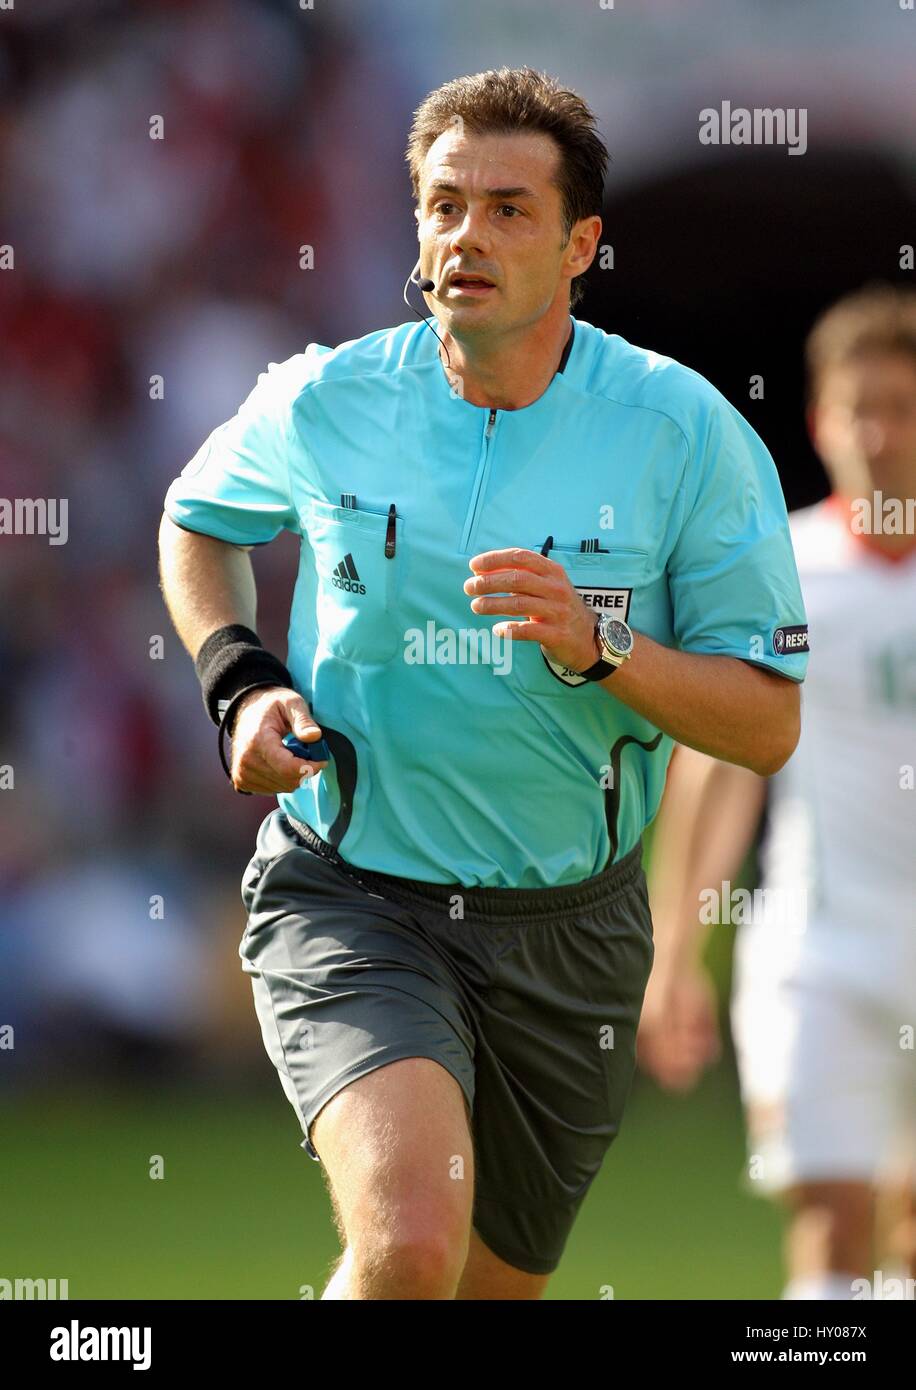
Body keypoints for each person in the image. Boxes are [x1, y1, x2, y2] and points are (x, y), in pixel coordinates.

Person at [158, 66, 806, 1300]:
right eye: (445, 205)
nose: (468, 235)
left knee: (482, 1292)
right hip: (355, 893)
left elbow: (766, 724)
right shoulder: (326, 397)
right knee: (410, 1244)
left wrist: (605, 649)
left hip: (574, 932)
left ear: (580, 246)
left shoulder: (685, 433)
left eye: (509, 209)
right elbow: (195, 521)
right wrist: (238, 680)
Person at [638, 285, 916, 1300]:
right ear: (819, 423)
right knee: (830, 1224)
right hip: (820, 953)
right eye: (856, 409)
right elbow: (720, 768)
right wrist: (674, 953)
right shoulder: (783, 570)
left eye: (900, 407)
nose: (877, 434)